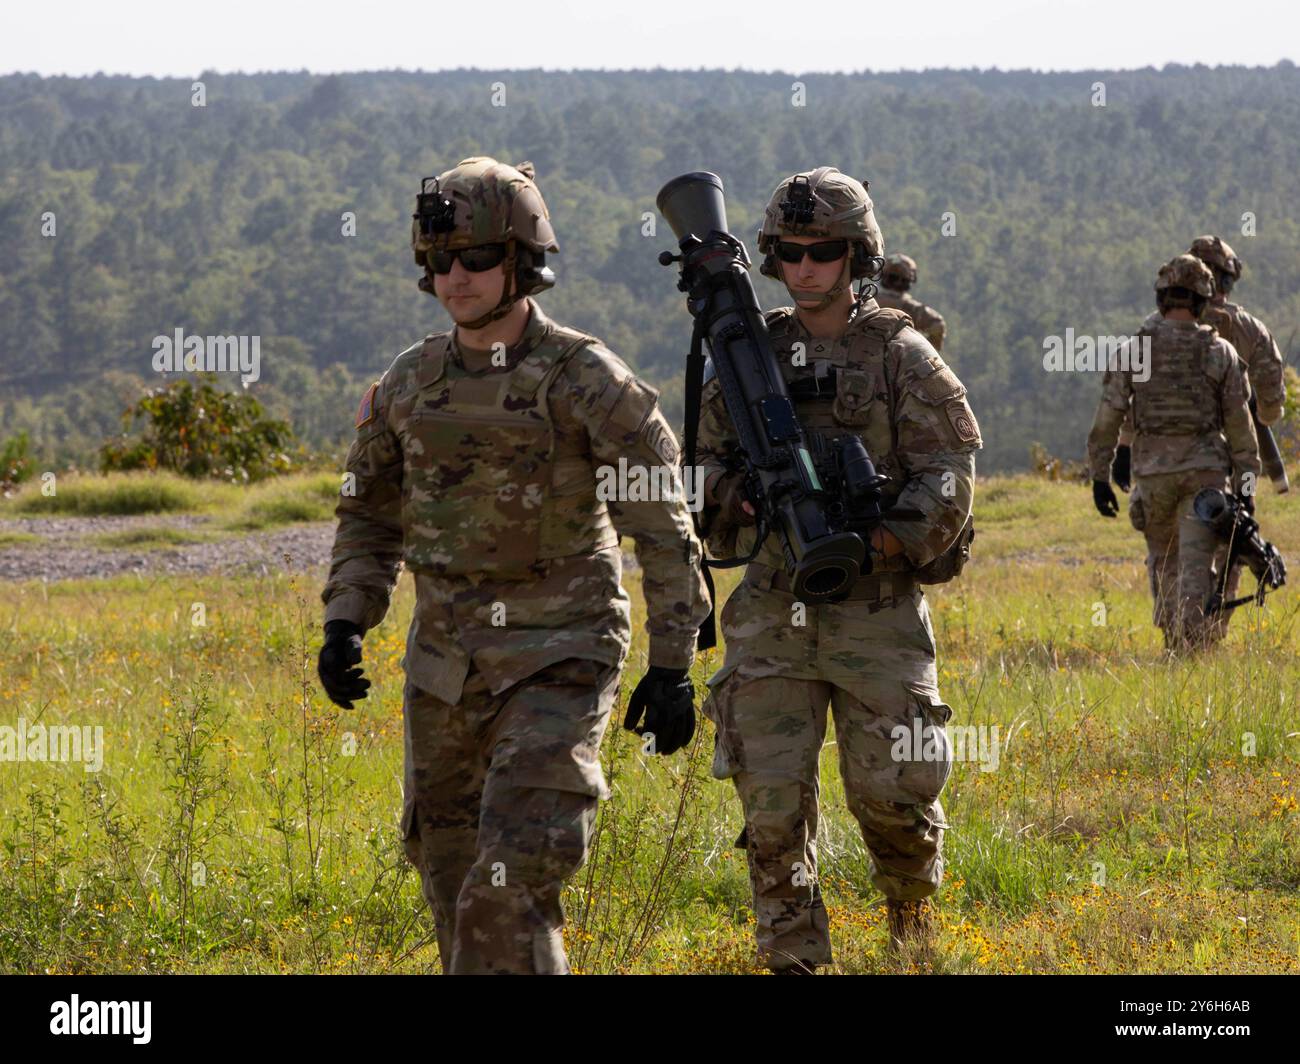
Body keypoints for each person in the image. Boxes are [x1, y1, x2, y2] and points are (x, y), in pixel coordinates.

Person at [318, 156, 710, 974]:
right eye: (442, 261)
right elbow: (368, 512)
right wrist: (346, 620)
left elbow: (662, 523)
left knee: (506, 891)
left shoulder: (585, 379)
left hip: (559, 661)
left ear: (522, 262)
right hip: (443, 672)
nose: (457, 278)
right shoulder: (410, 382)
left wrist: (674, 661)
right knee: (457, 893)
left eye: (478, 259)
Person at [696, 166, 980, 972]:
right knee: (773, 806)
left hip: (876, 609)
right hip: (775, 606)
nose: (806, 266)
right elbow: (699, 463)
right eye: (789, 251)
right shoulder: (753, 356)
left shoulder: (900, 354)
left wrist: (882, 541)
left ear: (856, 254)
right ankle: (793, 956)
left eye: (823, 249)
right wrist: (742, 495)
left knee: (893, 796)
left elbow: (952, 473)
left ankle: (908, 922)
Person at [1087, 254, 1259, 651]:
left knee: (1163, 560)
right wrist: (1246, 486)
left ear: (1162, 298)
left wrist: (1100, 476)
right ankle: (1190, 650)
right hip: (1206, 476)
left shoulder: (1135, 351)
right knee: (1197, 563)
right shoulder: (1221, 353)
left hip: (1153, 476)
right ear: (1202, 302)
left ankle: (1177, 643)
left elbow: (1107, 420)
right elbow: (1240, 430)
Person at [874, 253, 947, 352]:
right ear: (909, 280)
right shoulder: (913, 310)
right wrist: (922, 351)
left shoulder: (866, 302)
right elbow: (938, 326)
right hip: (902, 363)